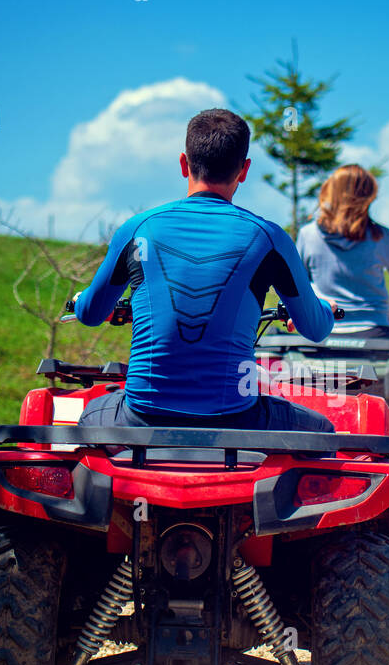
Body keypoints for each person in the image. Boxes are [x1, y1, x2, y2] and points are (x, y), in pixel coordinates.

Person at [71, 108, 337, 432]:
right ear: (244, 170)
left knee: (88, 414)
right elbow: (316, 328)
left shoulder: (137, 228)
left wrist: (81, 298)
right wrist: (326, 308)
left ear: (184, 164)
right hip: (236, 419)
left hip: (141, 416)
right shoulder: (269, 238)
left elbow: (89, 313)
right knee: (323, 430)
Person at [295, 164, 389, 339]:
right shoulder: (381, 237)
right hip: (374, 332)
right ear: (369, 197)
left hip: (323, 332)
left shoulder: (308, 235)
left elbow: (297, 289)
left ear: (330, 192)